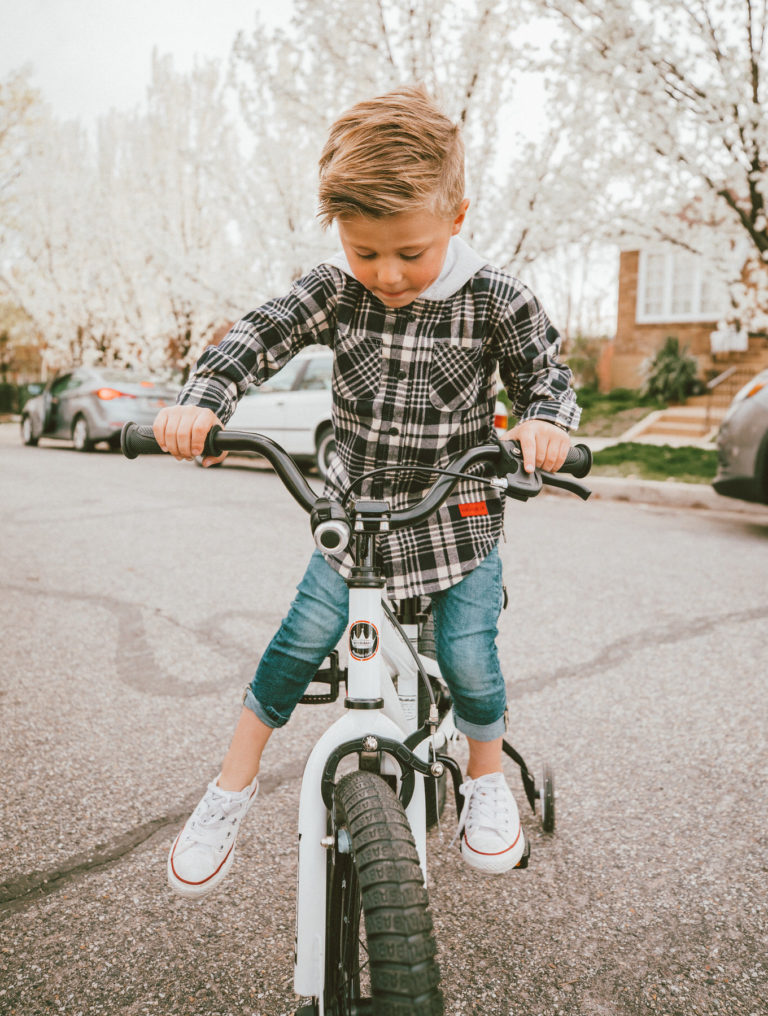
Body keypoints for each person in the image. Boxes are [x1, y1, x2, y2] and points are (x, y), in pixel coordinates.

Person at [154, 85, 580, 899]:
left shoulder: (499, 300)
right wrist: (204, 401)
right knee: (291, 650)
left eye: (408, 254)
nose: (385, 275)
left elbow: (545, 380)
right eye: (365, 253)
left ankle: (485, 781)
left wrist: (545, 426)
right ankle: (229, 790)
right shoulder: (336, 288)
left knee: (468, 659)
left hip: (457, 521)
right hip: (354, 525)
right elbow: (260, 332)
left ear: (457, 215)